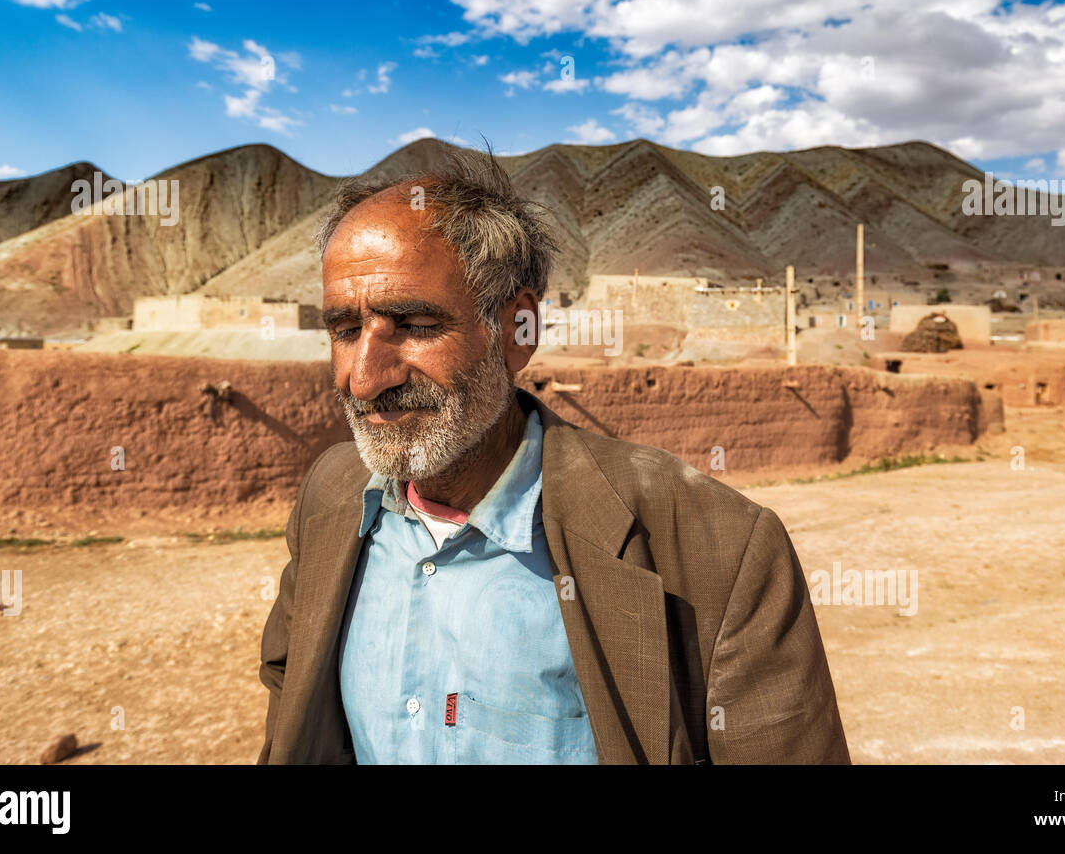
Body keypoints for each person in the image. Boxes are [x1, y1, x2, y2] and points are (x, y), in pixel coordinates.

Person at [257, 147, 849, 764]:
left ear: (518, 330)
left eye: (412, 323)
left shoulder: (719, 549)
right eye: (345, 331)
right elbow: (293, 690)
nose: (362, 379)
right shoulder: (331, 497)